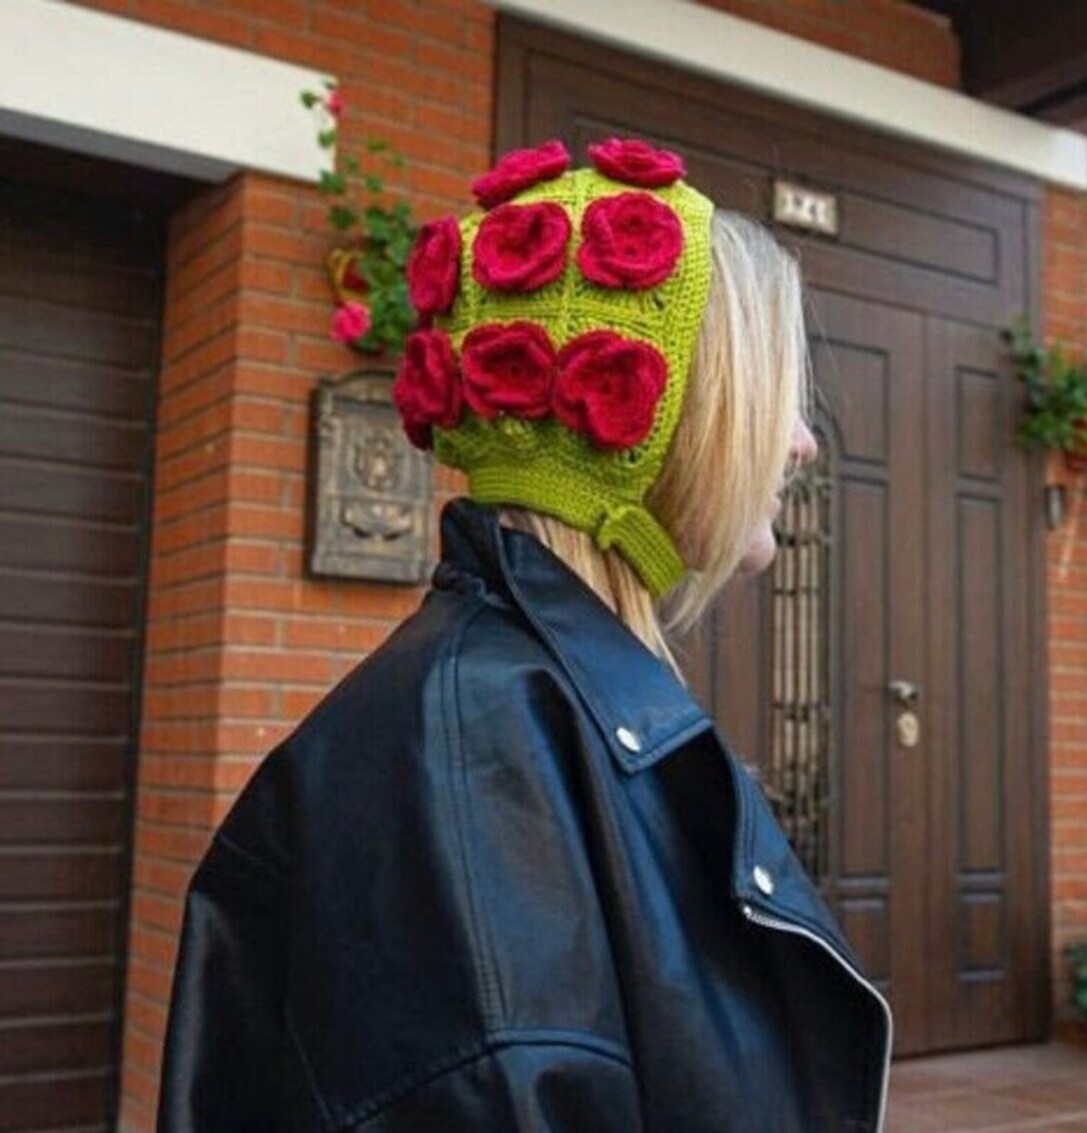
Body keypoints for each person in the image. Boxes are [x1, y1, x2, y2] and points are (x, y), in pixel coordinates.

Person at [157, 138, 892, 1132]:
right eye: (777, 395)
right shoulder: (474, 770)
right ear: (664, 421)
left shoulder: (538, 714)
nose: (802, 439)